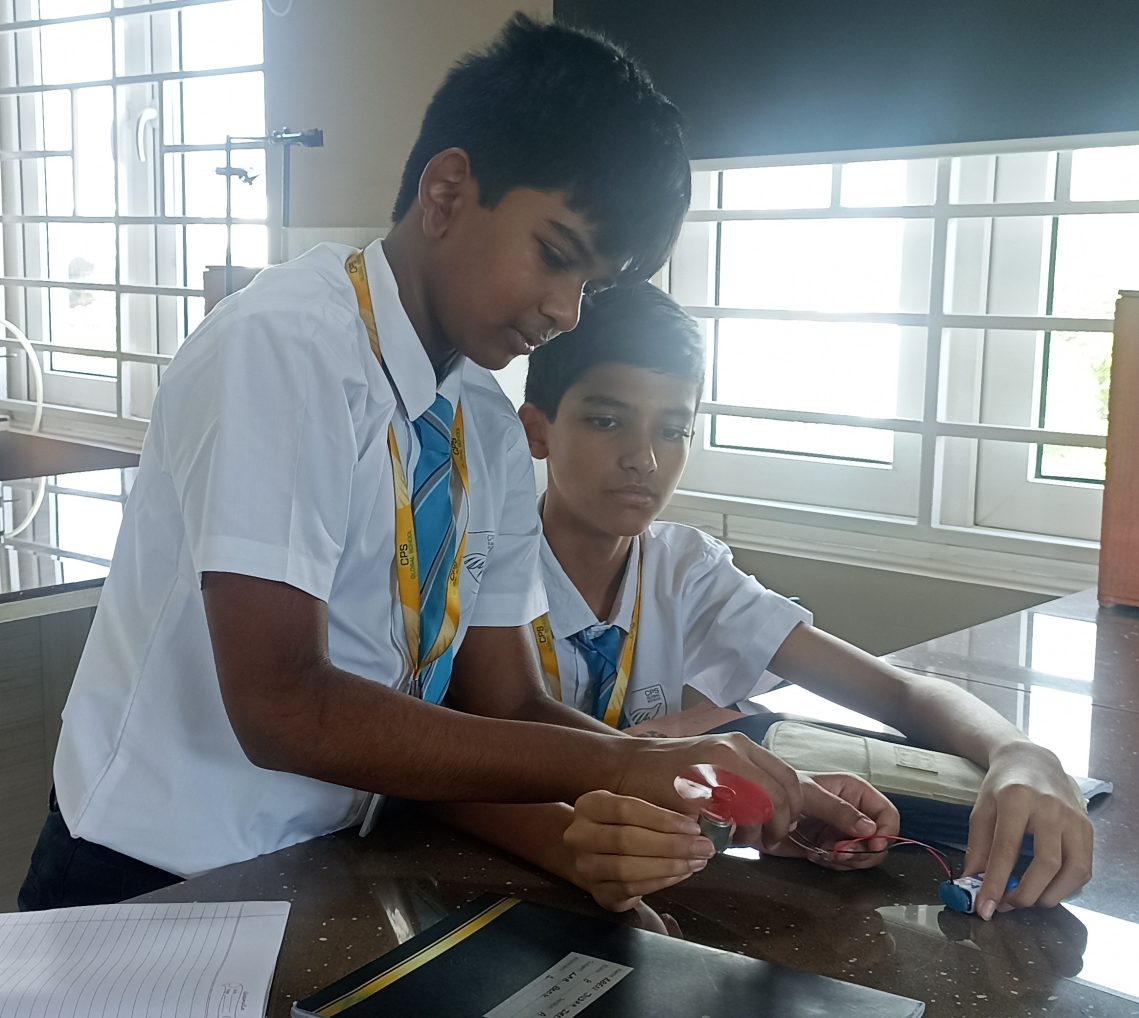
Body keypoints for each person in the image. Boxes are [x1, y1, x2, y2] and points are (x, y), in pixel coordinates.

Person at [19, 15, 880, 911]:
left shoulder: (483, 421)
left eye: (592, 283)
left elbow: (504, 701)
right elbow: (283, 707)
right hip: (149, 876)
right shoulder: (286, 347)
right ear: (446, 192)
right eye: (556, 257)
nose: (567, 311)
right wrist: (629, 759)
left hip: (330, 863)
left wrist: (718, 790)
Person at [438, 281, 1093, 922]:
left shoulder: (683, 569)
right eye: (607, 421)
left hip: (635, 896)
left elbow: (901, 694)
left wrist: (1019, 754)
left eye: (673, 430)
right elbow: (454, 777)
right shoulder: (478, 566)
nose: (643, 458)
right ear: (537, 430)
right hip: (476, 887)